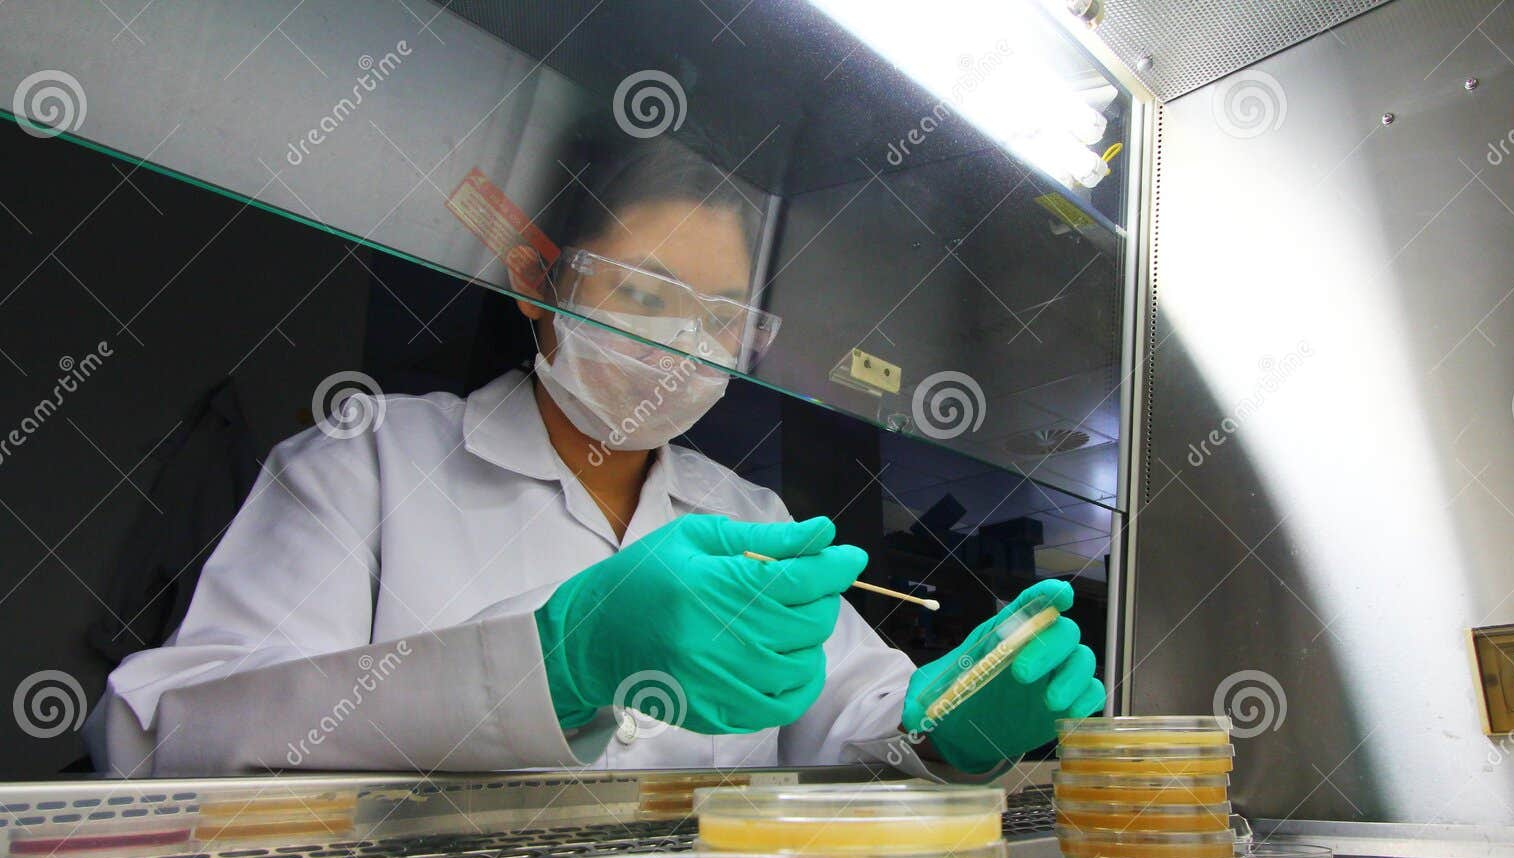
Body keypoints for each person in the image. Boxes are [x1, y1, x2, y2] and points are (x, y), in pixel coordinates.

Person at [85, 138, 1105, 780]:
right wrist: (556, 662)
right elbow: (161, 736)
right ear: (540, 282)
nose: (681, 344)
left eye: (719, 318)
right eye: (646, 295)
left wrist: (948, 720)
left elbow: (846, 723)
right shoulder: (371, 461)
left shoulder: (746, 510)